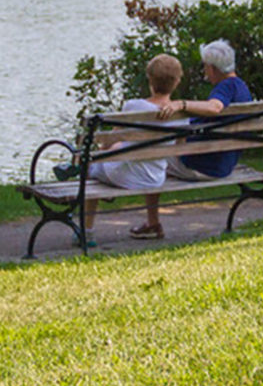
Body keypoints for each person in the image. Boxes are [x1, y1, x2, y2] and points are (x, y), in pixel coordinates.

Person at [129, 39, 252, 240]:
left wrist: (181, 104)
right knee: (160, 153)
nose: (204, 70)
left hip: (203, 166)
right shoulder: (241, 88)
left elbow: (215, 107)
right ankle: (152, 223)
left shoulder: (225, 88)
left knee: (152, 155)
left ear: (212, 68)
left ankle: (152, 224)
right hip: (224, 163)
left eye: (205, 66)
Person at [75, 54, 185, 247]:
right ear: (176, 82)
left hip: (124, 176)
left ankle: (87, 232)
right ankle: (153, 222)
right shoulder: (182, 115)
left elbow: (110, 140)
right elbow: (178, 148)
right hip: (155, 178)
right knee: (135, 154)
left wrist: (99, 155)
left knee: (91, 165)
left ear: (149, 79)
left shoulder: (133, 106)